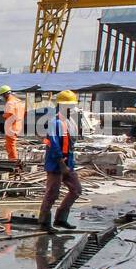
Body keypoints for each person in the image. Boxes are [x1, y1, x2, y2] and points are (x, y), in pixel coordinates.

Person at [39, 90, 83, 232]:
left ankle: (61, 218)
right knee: (52, 193)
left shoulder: (69, 122)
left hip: (68, 163)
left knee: (76, 190)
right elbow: (53, 143)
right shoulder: (55, 122)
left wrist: (68, 163)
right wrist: (60, 162)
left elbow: (70, 143)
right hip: (56, 164)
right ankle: (44, 222)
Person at [0, 85, 25, 164]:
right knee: (10, 145)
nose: (2, 97)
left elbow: (9, 115)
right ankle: (13, 160)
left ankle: (13, 162)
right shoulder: (18, 101)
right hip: (17, 126)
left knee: (10, 145)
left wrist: (3, 115)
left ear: (5, 94)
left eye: (2, 95)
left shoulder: (10, 103)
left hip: (11, 127)